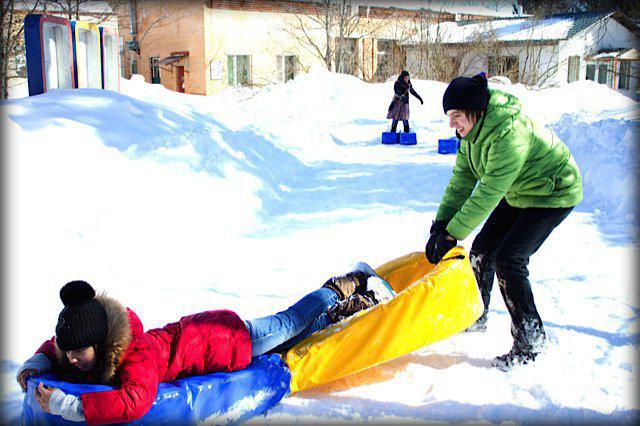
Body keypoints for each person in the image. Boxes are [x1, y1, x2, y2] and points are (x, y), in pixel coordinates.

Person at [17, 264, 394, 424]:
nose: (69, 358)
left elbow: (135, 401)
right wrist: (35, 364)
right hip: (206, 332)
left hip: (228, 341)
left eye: (77, 352)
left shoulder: (137, 354)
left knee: (289, 323)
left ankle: (340, 287)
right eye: (68, 352)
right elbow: (55, 345)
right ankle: (343, 311)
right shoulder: (86, 344)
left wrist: (69, 405)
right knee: (294, 335)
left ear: (99, 342)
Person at [425, 72, 582, 371]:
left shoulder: (509, 132)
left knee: (511, 260)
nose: (451, 124)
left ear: (474, 112)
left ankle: (530, 343)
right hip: (520, 190)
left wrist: (451, 235)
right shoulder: (470, 134)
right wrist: (442, 223)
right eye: (449, 116)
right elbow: (462, 180)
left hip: (553, 190)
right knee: (483, 249)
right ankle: (475, 315)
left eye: (456, 116)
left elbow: (487, 194)